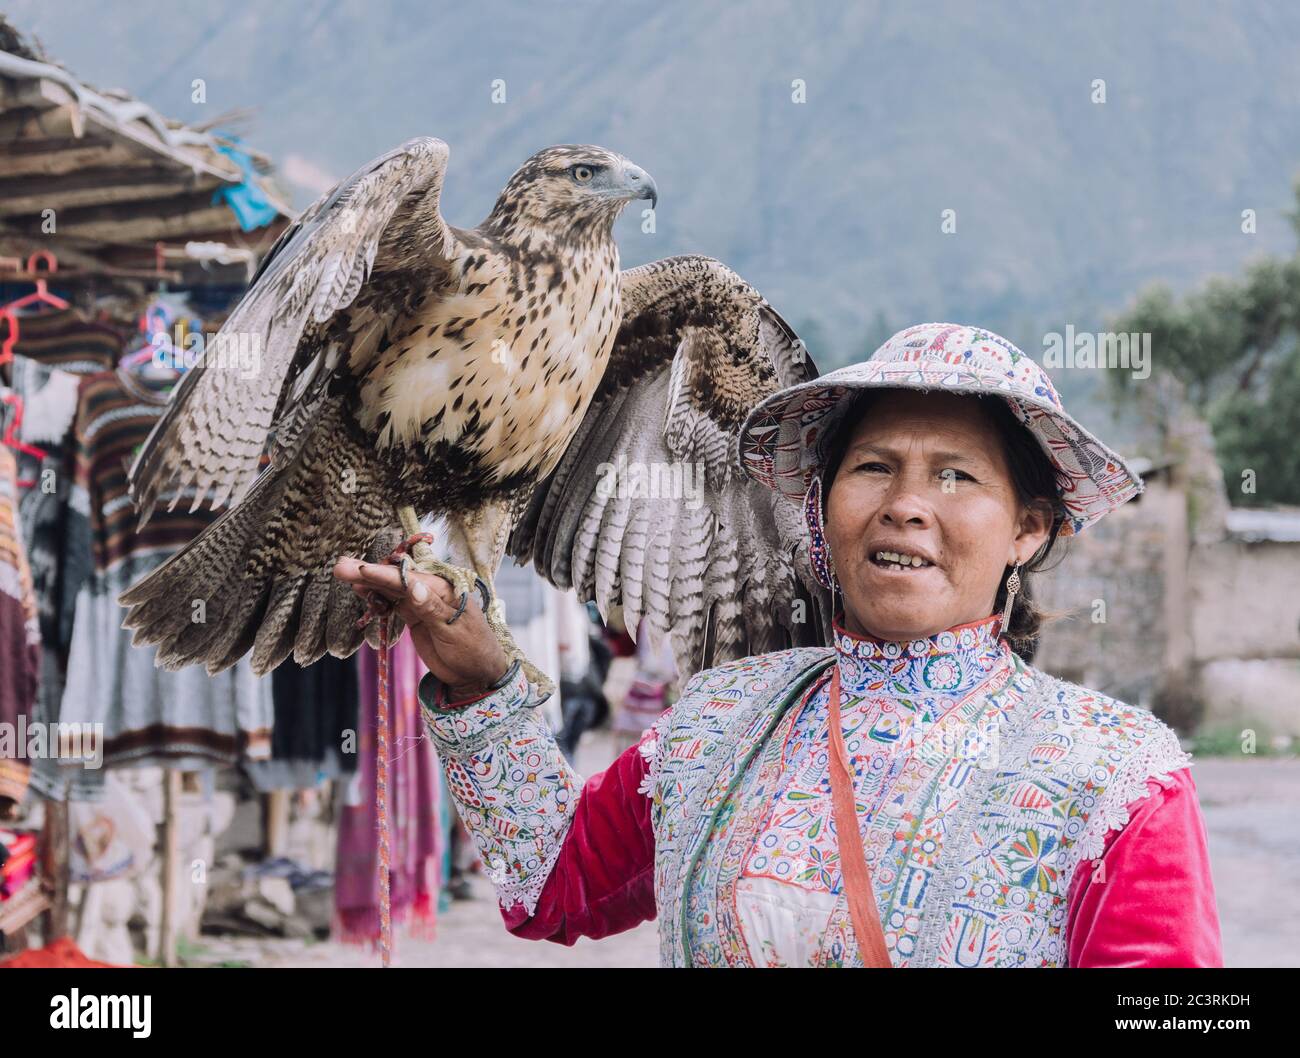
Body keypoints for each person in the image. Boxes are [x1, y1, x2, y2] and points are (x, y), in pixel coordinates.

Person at [334, 322, 1224, 967]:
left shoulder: (1113, 776)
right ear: (822, 507)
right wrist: (481, 675)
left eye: (955, 476)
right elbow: (555, 884)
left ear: (1029, 527)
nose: (906, 503)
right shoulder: (723, 722)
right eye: (874, 467)